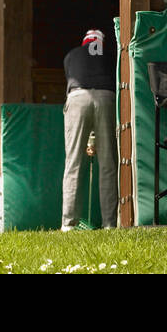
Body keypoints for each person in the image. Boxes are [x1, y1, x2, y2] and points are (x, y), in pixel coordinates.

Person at [61, 29, 118, 230]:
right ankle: (110, 223)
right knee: (108, 163)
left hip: (78, 96)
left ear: (85, 43)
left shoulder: (72, 55)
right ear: (101, 44)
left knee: (73, 162)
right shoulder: (111, 55)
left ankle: (69, 224)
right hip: (106, 97)